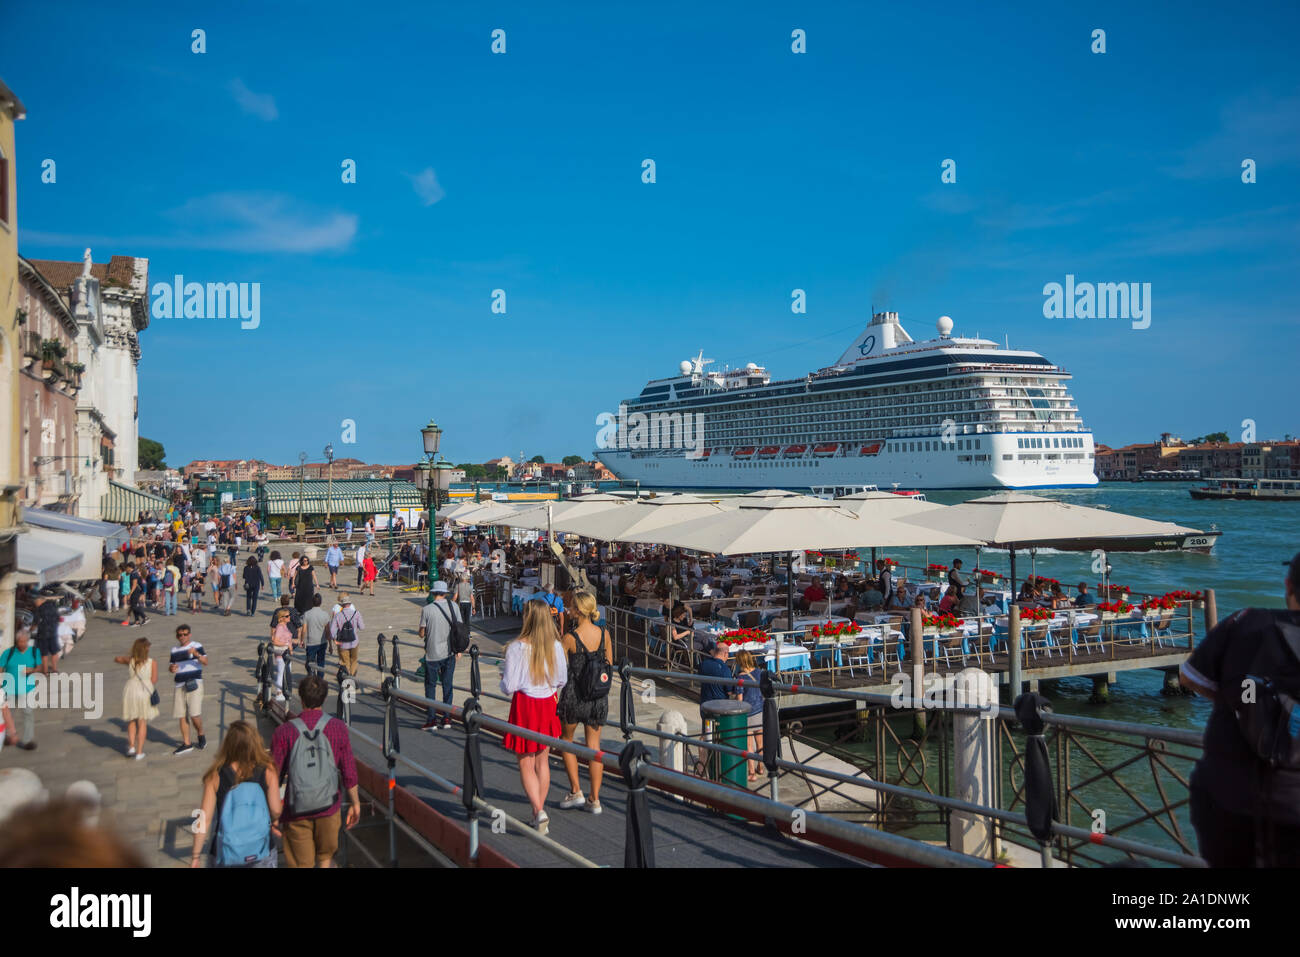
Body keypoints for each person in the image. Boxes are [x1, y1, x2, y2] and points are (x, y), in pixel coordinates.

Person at [1179, 553, 1300, 867]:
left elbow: (1189, 677)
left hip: (1228, 796)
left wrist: (1240, 702)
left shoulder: (1245, 621)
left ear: (1288, 585)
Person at [270, 675, 361, 868]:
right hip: (328, 807)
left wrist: (272, 813)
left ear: (301, 699)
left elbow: (273, 776)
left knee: (301, 863)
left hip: (296, 810)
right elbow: (349, 772)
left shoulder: (284, 732)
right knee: (325, 858)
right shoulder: (337, 727)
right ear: (324, 698)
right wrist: (355, 803)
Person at [499, 600, 567, 833]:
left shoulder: (517, 647)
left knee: (525, 763)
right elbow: (562, 679)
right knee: (542, 760)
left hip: (525, 705)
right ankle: (538, 812)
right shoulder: (555, 646)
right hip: (548, 702)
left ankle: (538, 811)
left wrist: (502, 678)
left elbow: (509, 686)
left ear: (527, 617)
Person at [191, 720, 281, 869]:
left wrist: (195, 856)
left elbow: (203, 820)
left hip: (226, 852)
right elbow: (276, 810)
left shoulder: (216, 775)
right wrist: (274, 821)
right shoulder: (267, 770)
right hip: (261, 848)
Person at [556, 592, 613, 814]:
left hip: (573, 695)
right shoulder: (604, 634)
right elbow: (609, 663)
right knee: (594, 747)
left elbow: (560, 669)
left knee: (567, 741)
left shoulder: (569, 638)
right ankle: (595, 799)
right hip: (597, 697)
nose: (568, 610)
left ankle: (576, 790)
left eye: (571, 607)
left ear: (578, 611)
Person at [418, 582, 463, 731]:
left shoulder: (427, 609)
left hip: (432, 653)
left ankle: (431, 720)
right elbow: (459, 629)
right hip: (449, 652)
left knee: (430, 686)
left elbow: (421, 633)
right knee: (447, 685)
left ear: (433, 593)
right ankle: (447, 717)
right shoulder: (454, 607)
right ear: (445, 593)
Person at [114, 637, 159, 760]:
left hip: (131, 690)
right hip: (144, 691)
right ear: (147, 648)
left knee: (132, 719)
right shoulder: (152, 662)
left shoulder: (131, 660)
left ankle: (132, 746)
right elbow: (154, 680)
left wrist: (125, 658)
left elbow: (117, 659)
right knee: (142, 721)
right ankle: (139, 752)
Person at [0, 626, 44, 750]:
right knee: (8, 714)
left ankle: (27, 740)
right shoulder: (8, 653)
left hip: (27, 689)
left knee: (28, 713)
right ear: (16, 641)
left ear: (28, 641)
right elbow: (1, 668)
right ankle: (8, 736)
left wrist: (32, 670)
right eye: (20, 641)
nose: (22, 644)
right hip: (9, 689)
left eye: (24, 641)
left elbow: (40, 668)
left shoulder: (34, 652)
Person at [169, 625, 208, 755]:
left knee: (194, 714)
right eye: (180, 635)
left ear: (189, 634)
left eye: (185, 634)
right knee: (181, 715)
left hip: (194, 684)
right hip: (179, 684)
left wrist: (195, 654)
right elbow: (171, 666)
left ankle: (200, 733)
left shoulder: (197, 645)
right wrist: (172, 669)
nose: (183, 637)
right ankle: (187, 743)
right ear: (177, 636)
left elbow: (205, 661)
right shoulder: (174, 650)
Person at [734, 650, 766, 781]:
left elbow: (740, 699)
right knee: (760, 743)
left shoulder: (740, 678)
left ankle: (752, 773)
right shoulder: (759, 673)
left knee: (749, 745)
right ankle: (761, 767)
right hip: (760, 710)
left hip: (747, 713)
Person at [330, 594, 364, 676]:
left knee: (345, 662)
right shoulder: (356, 613)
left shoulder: (338, 615)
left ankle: (348, 679)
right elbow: (362, 627)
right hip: (354, 641)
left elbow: (332, 630)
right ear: (350, 604)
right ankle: (352, 677)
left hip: (343, 643)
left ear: (342, 605)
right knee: (354, 660)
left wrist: (335, 639)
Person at [302, 593, 333, 677]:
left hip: (311, 642)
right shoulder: (325, 614)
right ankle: (320, 680)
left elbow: (304, 630)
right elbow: (328, 631)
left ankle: (311, 678)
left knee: (310, 663)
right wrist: (330, 645)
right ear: (321, 602)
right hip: (322, 642)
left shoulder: (307, 614)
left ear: (312, 602)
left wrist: (302, 640)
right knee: (321, 663)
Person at [33, 595, 62, 672]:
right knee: (54, 652)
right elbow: (59, 618)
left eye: (35, 602)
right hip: (53, 633)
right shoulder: (53, 607)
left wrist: (30, 630)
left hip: (43, 635)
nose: (35, 604)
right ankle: (54, 669)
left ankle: (45, 672)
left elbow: (35, 623)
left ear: (40, 601)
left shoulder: (39, 609)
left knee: (44, 654)